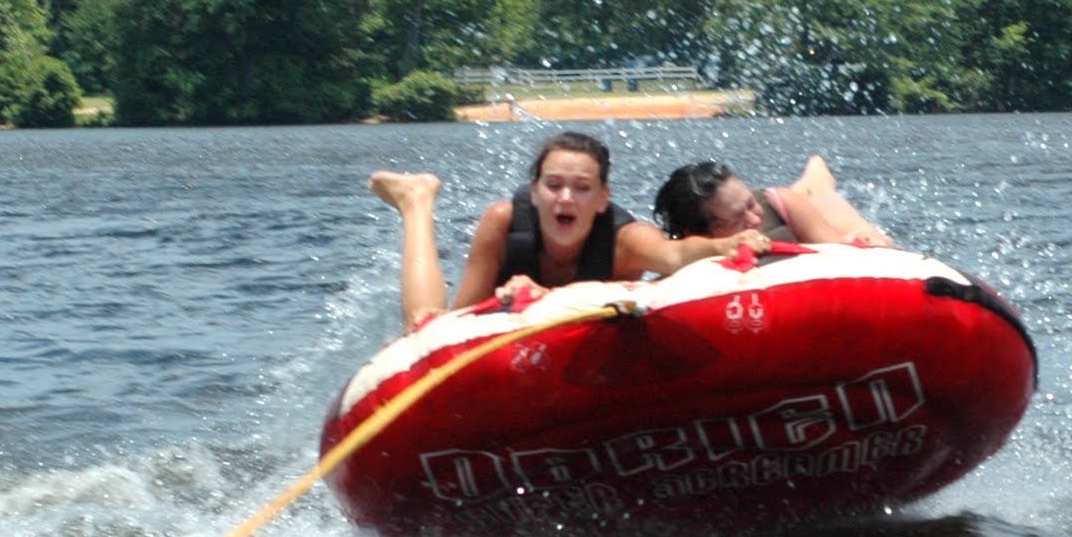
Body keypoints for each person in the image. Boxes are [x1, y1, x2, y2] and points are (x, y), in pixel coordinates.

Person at [370, 131, 770, 332]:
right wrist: (505, 302)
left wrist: (727, 244)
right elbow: (457, 324)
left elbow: (675, 255)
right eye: (553, 185)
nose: (566, 198)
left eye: (582, 188)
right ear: (534, 192)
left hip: (585, 336)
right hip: (507, 334)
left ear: (602, 198)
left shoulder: (626, 240)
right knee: (423, 324)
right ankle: (416, 202)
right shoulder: (503, 222)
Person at [653, 154, 894, 247]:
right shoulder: (687, 248)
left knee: (820, 192)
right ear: (700, 234)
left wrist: (864, 240)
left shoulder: (779, 204)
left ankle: (817, 171)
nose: (753, 219)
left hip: (796, 211)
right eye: (738, 219)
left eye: (750, 204)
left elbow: (840, 248)